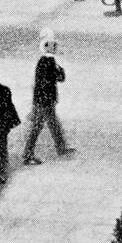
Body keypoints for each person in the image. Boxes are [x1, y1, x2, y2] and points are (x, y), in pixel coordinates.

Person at [23, 30, 74, 165]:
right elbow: (60, 78)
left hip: (44, 99)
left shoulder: (45, 61)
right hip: (45, 101)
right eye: (52, 45)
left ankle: (61, 148)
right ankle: (28, 154)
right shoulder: (49, 61)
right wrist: (60, 67)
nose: (55, 47)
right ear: (46, 46)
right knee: (39, 127)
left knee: (52, 124)